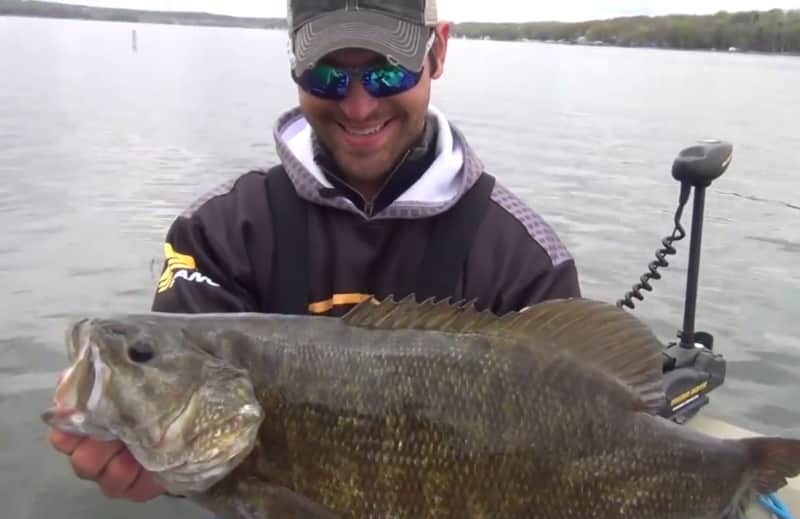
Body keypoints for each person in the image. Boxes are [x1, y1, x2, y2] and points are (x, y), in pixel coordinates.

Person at [48, 0, 581, 505]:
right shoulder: (221, 233)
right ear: (292, 61)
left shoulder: (527, 262)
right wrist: (148, 468)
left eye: (386, 71)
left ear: (437, 52)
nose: (358, 104)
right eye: (326, 74)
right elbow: (187, 427)